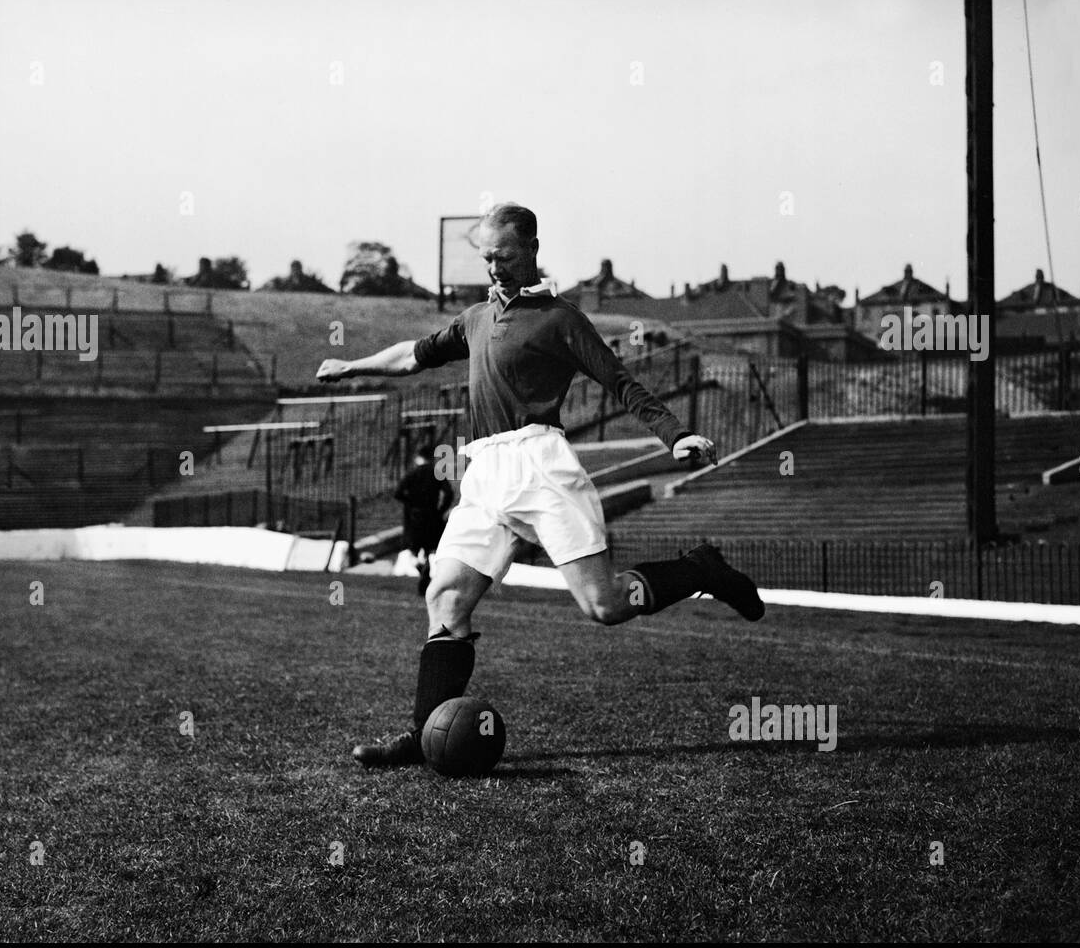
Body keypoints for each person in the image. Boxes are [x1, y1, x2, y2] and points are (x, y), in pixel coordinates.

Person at [316, 203, 764, 769]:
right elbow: (413, 355)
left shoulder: (561, 319)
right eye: (486, 258)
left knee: (603, 605)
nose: (494, 268)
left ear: (531, 248)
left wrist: (673, 435)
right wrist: (351, 365)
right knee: (445, 596)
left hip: (540, 466)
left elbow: (618, 380)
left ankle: (700, 568)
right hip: (484, 471)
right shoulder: (476, 318)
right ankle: (425, 735)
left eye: (503, 256)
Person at [394, 443, 454, 595]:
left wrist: (411, 504)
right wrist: (441, 510)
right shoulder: (437, 473)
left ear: (418, 458)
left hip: (415, 517)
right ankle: (427, 566)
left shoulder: (413, 474)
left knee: (413, 548)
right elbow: (448, 494)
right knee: (431, 547)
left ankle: (420, 566)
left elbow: (398, 493)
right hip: (433, 515)